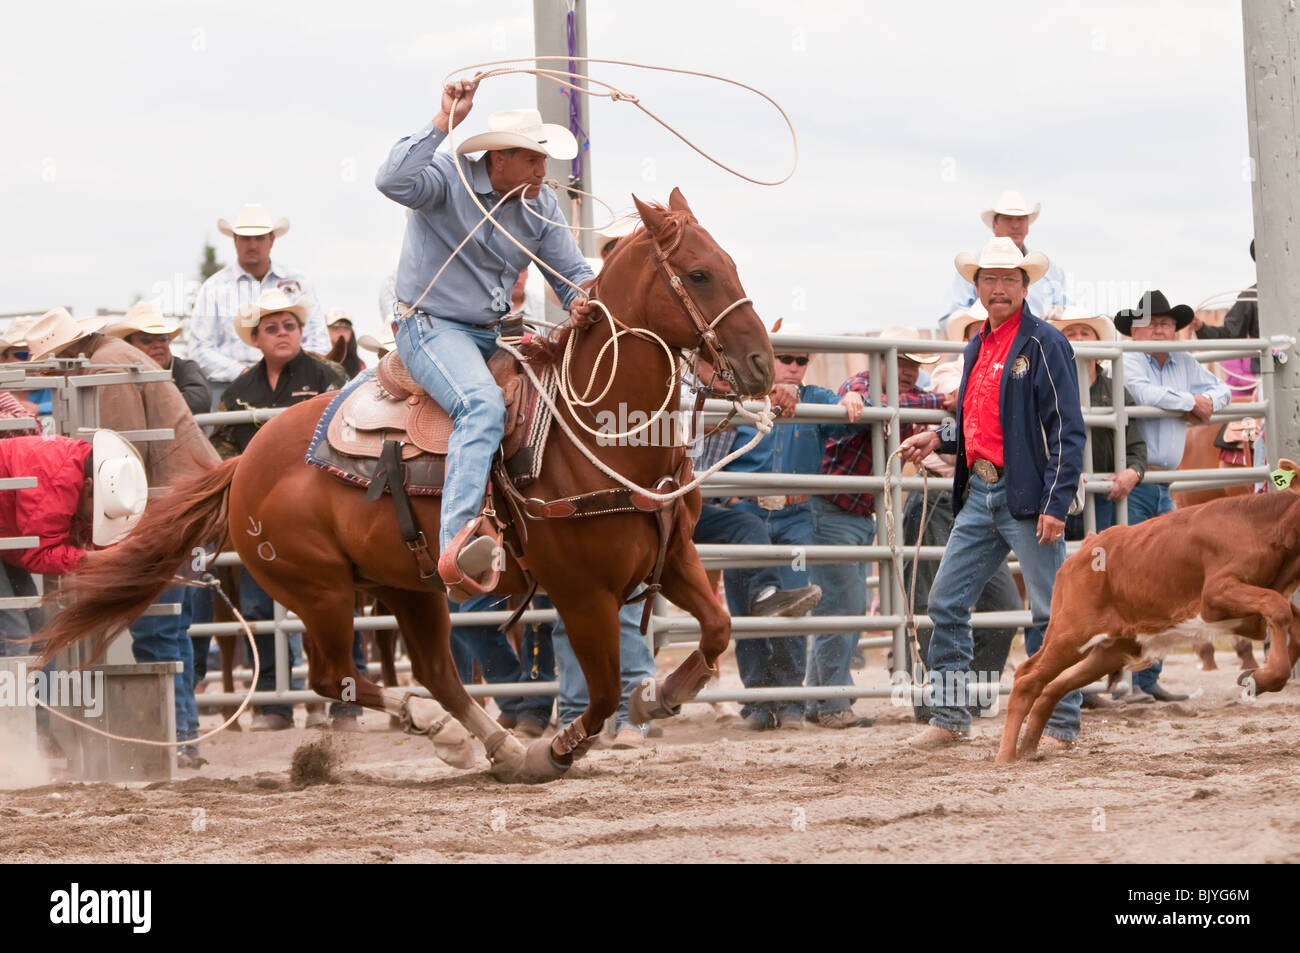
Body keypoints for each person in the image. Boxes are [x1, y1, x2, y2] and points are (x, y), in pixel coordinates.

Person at [375, 77, 596, 593]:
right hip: (428, 326)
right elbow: (391, 180)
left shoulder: (541, 205)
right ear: (498, 159)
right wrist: (444, 119)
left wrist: (586, 299)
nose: (544, 171)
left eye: (545, 161)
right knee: (480, 406)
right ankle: (459, 542)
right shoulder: (446, 180)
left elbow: (572, 276)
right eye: (533, 160)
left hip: (494, 333)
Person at [900, 237, 1085, 751]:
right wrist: (941, 436)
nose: (998, 288)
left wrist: (1054, 503)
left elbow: (1069, 430)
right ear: (977, 286)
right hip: (981, 490)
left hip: (1027, 497)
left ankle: (1059, 724)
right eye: (989, 279)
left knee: (1050, 611)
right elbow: (979, 418)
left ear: (1025, 286)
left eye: (1008, 279)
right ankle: (950, 714)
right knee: (946, 600)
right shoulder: (977, 345)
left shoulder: (1045, 343)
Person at [27, 307, 221, 766]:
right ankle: (182, 736)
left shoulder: (108, 368)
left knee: (158, 625)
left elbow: (124, 459)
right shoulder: (117, 357)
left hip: (161, 509)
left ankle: (178, 737)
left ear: (66, 354)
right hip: (176, 502)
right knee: (166, 626)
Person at [716, 321, 866, 731]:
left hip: (796, 514)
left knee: (794, 604)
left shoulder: (818, 398)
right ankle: (759, 703)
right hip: (744, 512)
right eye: (786, 357)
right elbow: (711, 440)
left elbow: (852, 415)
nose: (794, 366)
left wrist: (854, 395)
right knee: (746, 607)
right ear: (769, 356)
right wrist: (725, 498)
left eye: (802, 360)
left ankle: (791, 702)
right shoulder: (741, 396)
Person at [210, 289, 347, 730]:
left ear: (301, 331)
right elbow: (222, 451)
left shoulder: (329, 377)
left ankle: (342, 700)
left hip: (322, 515)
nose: (282, 333)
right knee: (257, 609)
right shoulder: (236, 392)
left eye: (289, 325)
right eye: (271, 327)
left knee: (333, 604)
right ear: (256, 339)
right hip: (261, 519)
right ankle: (273, 703)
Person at [809, 326, 946, 728]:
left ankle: (820, 697)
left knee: (842, 605)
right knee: (844, 605)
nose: (908, 370)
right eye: (901, 361)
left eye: (914, 364)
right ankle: (831, 703)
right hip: (834, 509)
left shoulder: (901, 400)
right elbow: (866, 394)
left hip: (854, 510)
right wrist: (939, 400)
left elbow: (900, 404)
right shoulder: (864, 383)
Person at [904, 305, 1021, 725]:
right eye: (978, 327)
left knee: (1002, 606)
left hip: (981, 495)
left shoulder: (1017, 362)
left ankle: (968, 695)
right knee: (933, 603)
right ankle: (937, 700)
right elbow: (958, 401)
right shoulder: (955, 369)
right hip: (943, 499)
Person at [1114, 290, 1232, 703]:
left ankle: (1144, 678)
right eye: (1153, 323)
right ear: (1135, 330)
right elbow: (1144, 393)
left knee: (1161, 580)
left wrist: (1204, 403)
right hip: (1136, 478)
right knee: (1131, 578)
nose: (1162, 329)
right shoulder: (1126, 360)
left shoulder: (1182, 361)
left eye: (1167, 323)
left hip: (1163, 483)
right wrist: (1192, 403)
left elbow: (1223, 391)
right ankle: (1126, 678)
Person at [189, 204, 328, 409]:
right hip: (232, 385)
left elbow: (319, 340)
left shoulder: (299, 281)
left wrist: (294, 372)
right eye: (245, 238)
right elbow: (199, 349)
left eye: (259, 238)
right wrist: (245, 374)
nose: (252, 245)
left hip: (297, 385)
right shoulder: (214, 288)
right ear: (235, 240)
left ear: (271, 240)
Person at [947, 190, 1069, 320]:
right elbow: (956, 316)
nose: (1015, 225)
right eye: (1007, 219)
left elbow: (1066, 309)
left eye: (1020, 219)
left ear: (1027, 226)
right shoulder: (976, 263)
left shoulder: (1051, 270)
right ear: (995, 225)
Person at [448, 593, 554, 738]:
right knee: (473, 616)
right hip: (498, 569)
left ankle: (535, 706)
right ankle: (513, 701)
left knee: (538, 616)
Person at [106, 300, 211, 417]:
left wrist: (143, 407)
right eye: (146, 340)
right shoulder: (122, 373)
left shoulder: (186, 368)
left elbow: (199, 402)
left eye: (162, 338)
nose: (157, 345)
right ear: (130, 346)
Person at [326, 308, 366, 378]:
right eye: (335, 327)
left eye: (346, 327)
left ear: (351, 332)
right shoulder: (316, 359)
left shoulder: (359, 365)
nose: (341, 330)